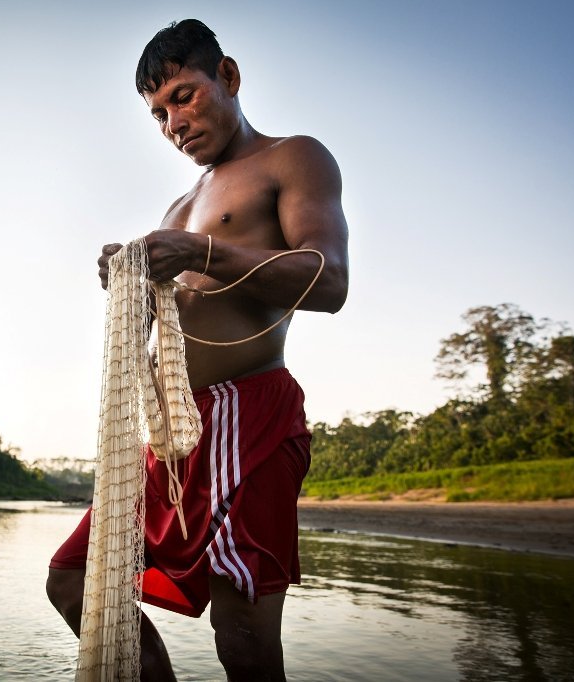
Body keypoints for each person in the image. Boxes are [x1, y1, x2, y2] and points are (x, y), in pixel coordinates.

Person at [46, 18, 348, 681]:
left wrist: (200, 252)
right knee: (73, 579)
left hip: (250, 415)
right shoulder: (179, 206)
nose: (174, 123)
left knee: (242, 637)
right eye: (159, 114)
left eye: (183, 96)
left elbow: (329, 281)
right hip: (170, 438)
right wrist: (131, 283)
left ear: (228, 76)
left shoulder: (292, 158)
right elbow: (178, 313)